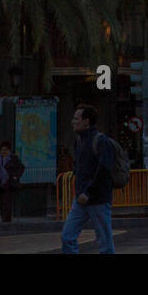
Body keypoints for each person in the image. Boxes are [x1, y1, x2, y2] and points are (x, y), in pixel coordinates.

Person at [61, 104, 115, 254]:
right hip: (80, 199)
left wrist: (88, 192)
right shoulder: (78, 141)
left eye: (76, 118)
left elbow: (104, 169)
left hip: (98, 199)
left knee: (104, 242)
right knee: (67, 237)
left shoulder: (101, 141)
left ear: (86, 121)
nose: (73, 121)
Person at [0, 141, 25, 224]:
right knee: (1, 201)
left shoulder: (13, 158)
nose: (4, 152)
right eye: (2, 150)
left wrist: (16, 176)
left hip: (9, 184)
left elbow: (21, 167)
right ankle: (4, 217)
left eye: (5, 150)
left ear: (9, 151)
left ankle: (6, 219)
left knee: (7, 202)